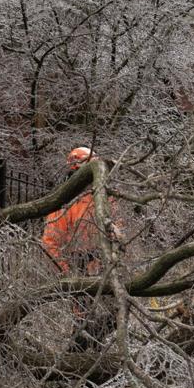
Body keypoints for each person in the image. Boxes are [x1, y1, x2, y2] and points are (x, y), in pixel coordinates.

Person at [41, 146, 119, 349]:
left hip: (105, 266)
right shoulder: (65, 203)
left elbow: (119, 231)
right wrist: (66, 272)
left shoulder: (105, 198)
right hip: (79, 268)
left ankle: (93, 357)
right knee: (83, 323)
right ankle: (77, 360)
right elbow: (50, 242)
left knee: (115, 314)